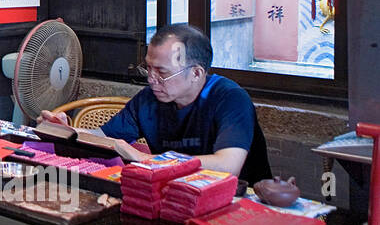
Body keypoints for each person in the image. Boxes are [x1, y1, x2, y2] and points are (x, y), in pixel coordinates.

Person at [41, 23, 272, 181]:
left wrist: (147, 159)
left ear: (196, 73)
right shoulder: (149, 99)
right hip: (176, 192)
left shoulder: (230, 98)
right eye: (148, 69)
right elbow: (104, 138)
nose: (152, 80)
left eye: (162, 72)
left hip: (236, 199)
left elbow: (228, 165)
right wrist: (68, 131)